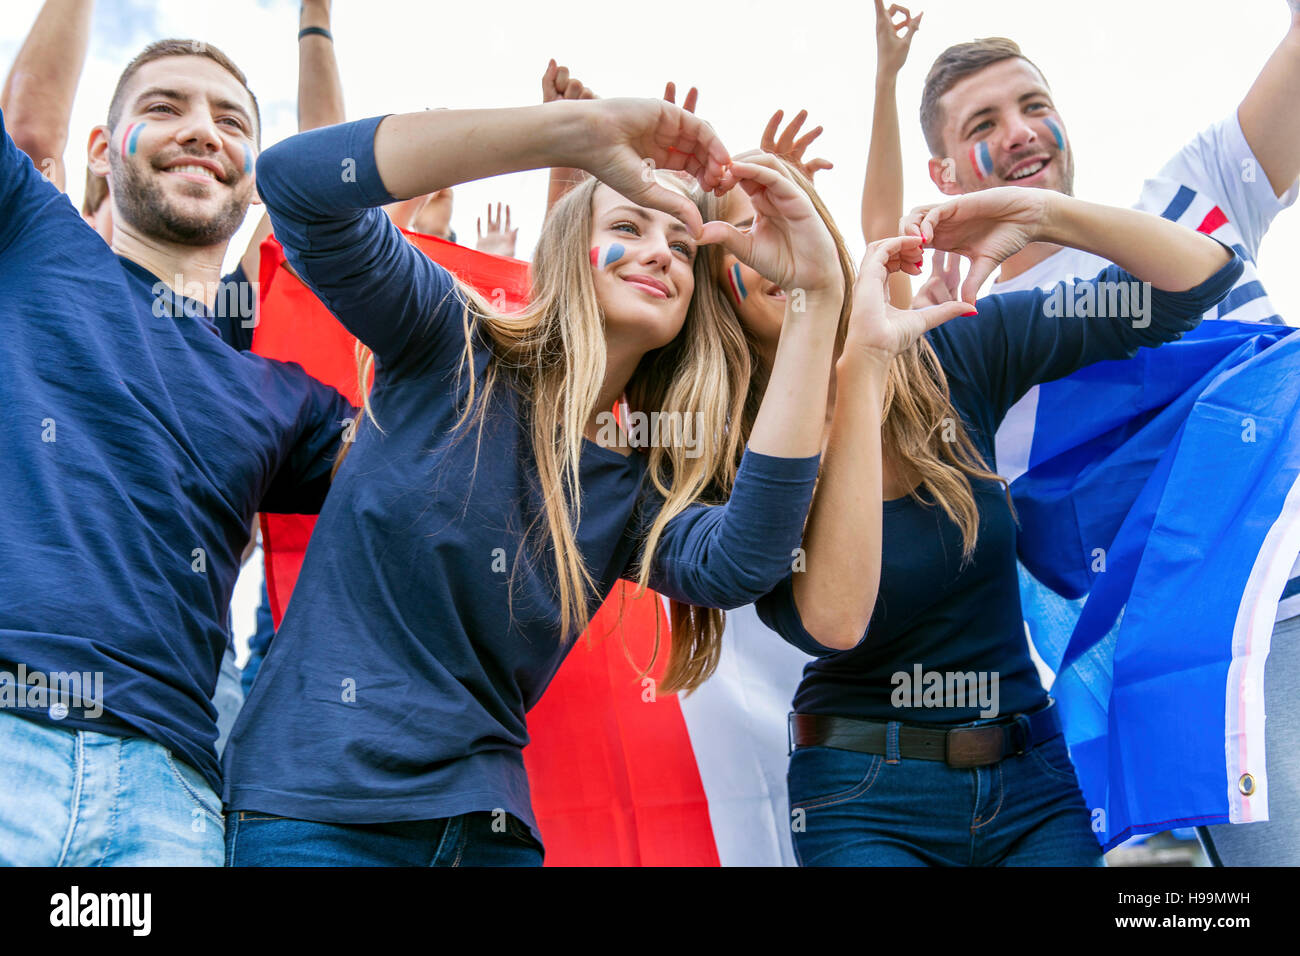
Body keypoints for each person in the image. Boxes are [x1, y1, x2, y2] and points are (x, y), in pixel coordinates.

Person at [221, 94, 849, 867]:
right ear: (564, 252)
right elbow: (294, 183)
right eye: (627, 227)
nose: (659, 252)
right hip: (312, 814)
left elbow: (742, 563)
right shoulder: (446, 341)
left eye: (683, 247)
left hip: (488, 834)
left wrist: (819, 297)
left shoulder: (634, 483)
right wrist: (572, 135)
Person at [744, 175, 1244, 864]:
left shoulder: (954, 357)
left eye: (782, 216)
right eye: (745, 232)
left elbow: (1192, 285)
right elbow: (830, 622)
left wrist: (1044, 214)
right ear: (720, 294)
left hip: (1033, 784)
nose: (772, 239)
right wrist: (859, 369)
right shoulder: (732, 451)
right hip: (861, 799)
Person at [909, 8, 1300, 864]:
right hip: (1243, 649)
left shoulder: (1190, 198)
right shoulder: (964, 352)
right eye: (984, 124)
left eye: (1032, 104)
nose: (1020, 133)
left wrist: (1053, 213)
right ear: (944, 174)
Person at [0, 37, 353, 866]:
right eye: (165, 108)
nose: (202, 131)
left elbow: (459, 454)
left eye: (231, 121)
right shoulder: (25, 235)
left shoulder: (289, 397)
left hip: (167, 810)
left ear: (256, 174)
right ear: (98, 149)